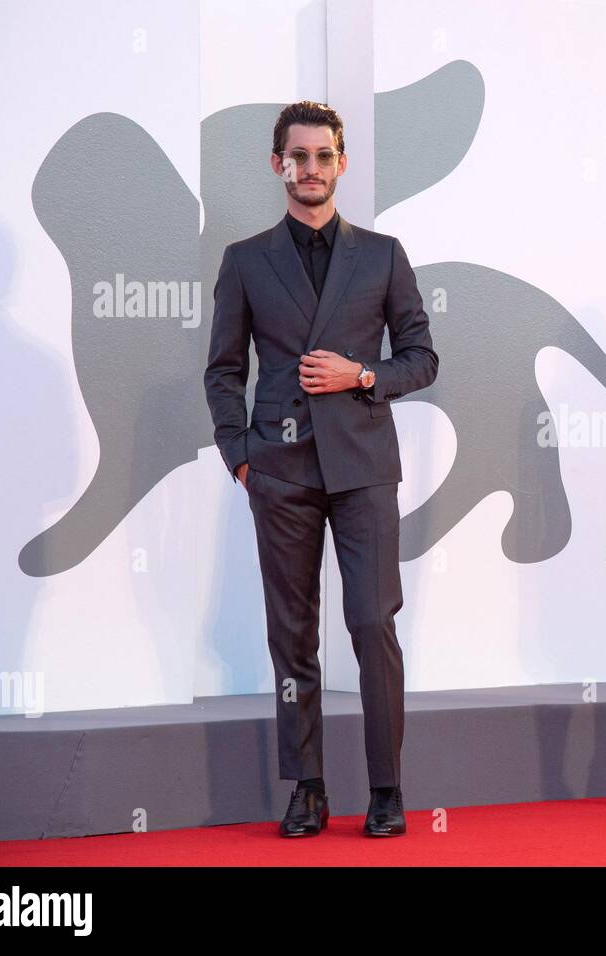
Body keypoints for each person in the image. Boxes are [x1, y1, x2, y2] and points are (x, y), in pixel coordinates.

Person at [204, 101, 438, 837]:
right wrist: (241, 458)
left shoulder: (383, 254)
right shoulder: (245, 260)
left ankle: (388, 788)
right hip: (279, 470)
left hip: (365, 466)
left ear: (342, 163)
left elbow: (421, 359)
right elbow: (221, 371)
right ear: (279, 165)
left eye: (323, 156)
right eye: (297, 156)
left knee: (373, 624)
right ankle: (305, 784)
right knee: (291, 634)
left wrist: (360, 376)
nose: (311, 168)